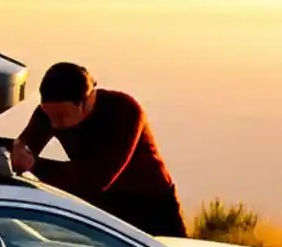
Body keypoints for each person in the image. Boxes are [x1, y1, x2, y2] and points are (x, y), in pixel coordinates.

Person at [11, 62, 188, 237]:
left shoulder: (125, 111)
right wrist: (18, 151)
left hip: (153, 206)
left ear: (84, 102)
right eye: (49, 115)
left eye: (62, 117)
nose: (55, 124)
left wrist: (33, 166)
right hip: (106, 204)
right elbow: (25, 147)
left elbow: (95, 180)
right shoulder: (49, 114)